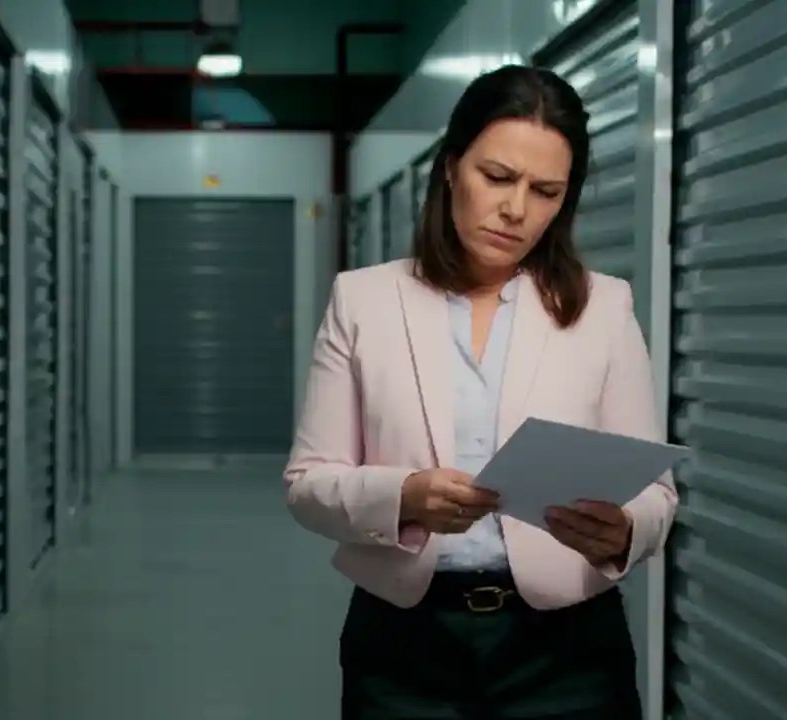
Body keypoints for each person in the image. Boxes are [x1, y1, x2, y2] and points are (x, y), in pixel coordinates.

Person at [283, 64, 677, 719]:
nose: (517, 209)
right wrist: (403, 496)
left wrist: (623, 531)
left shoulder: (604, 308)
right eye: (496, 178)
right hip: (405, 645)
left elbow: (656, 496)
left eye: (545, 191)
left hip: (568, 649)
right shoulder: (365, 300)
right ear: (449, 166)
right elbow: (307, 486)